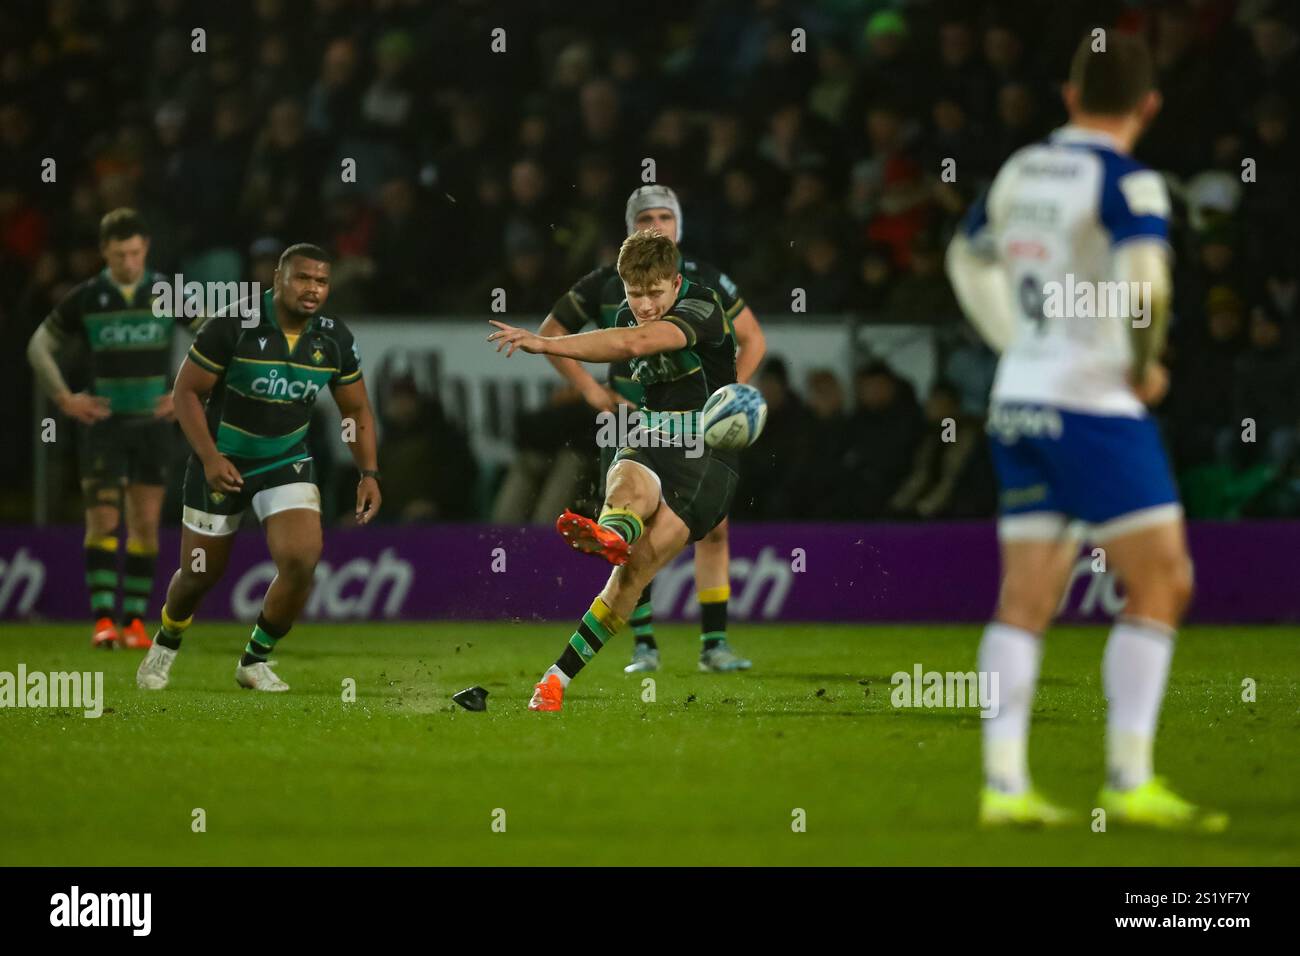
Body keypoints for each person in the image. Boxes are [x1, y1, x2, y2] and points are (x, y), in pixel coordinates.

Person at [946, 33, 1226, 831]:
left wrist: (1015, 340)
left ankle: (1004, 788)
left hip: (1019, 399)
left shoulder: (1024, 168)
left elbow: (966, 258)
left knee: (1027, 598)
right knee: (1163, 582)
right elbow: (1149, 286)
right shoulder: (1127, 180)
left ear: (1070, 96)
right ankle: (1128, 779)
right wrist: (1143, 363)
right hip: (1091, 403)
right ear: (1149, 107)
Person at [488, 231, 739, 711]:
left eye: (655, 293)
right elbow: (628, 338)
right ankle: (610, 537)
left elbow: (636, 342)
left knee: (632, 577)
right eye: (634, 293)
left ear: (676, 282)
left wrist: (546, 345)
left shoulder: (702, 307)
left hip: (707, 459)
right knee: (624, 485)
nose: (644, 305)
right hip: (654, 436)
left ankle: (564, 666)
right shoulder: (629, 314)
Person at [537, 185, 765, 673]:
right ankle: (644, 645)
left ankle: (713, 644)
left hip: (697, 432)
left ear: (679, 226)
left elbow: (752, 339)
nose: (656, 225)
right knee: (627, 517)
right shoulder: (605, 284)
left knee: (708, 533)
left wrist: (726, 401)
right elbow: (560, 332)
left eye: (666, 216)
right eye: (646, 218)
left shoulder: (704, 285)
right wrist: (594, 394)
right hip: (635, 423)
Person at [135, 243, 381, 692]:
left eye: (322, 281)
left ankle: (254, 661)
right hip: (223, 460)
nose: (313, 289)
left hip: (285, 460)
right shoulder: (233, 324)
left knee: (301, 560)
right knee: (199, 574)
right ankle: (165, 646)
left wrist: (368, 473)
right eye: (303, 278)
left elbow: (356, 410)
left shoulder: (333, 338)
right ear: (278, 280)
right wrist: (210, 457)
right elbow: (185, 393)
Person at [26, 209, 199, 650]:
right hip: (104, 425)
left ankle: (136, 623)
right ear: (104, 252)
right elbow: (39, 345)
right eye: (120, 254)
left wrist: (187, 393)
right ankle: (103, 621)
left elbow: (214, 336)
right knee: (103, 519)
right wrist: (65, 397)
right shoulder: (88, 296)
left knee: (143, 523)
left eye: (136, 253)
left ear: (146, 250)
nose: (128, 262)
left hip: (151, 427)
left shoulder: (165, 292)